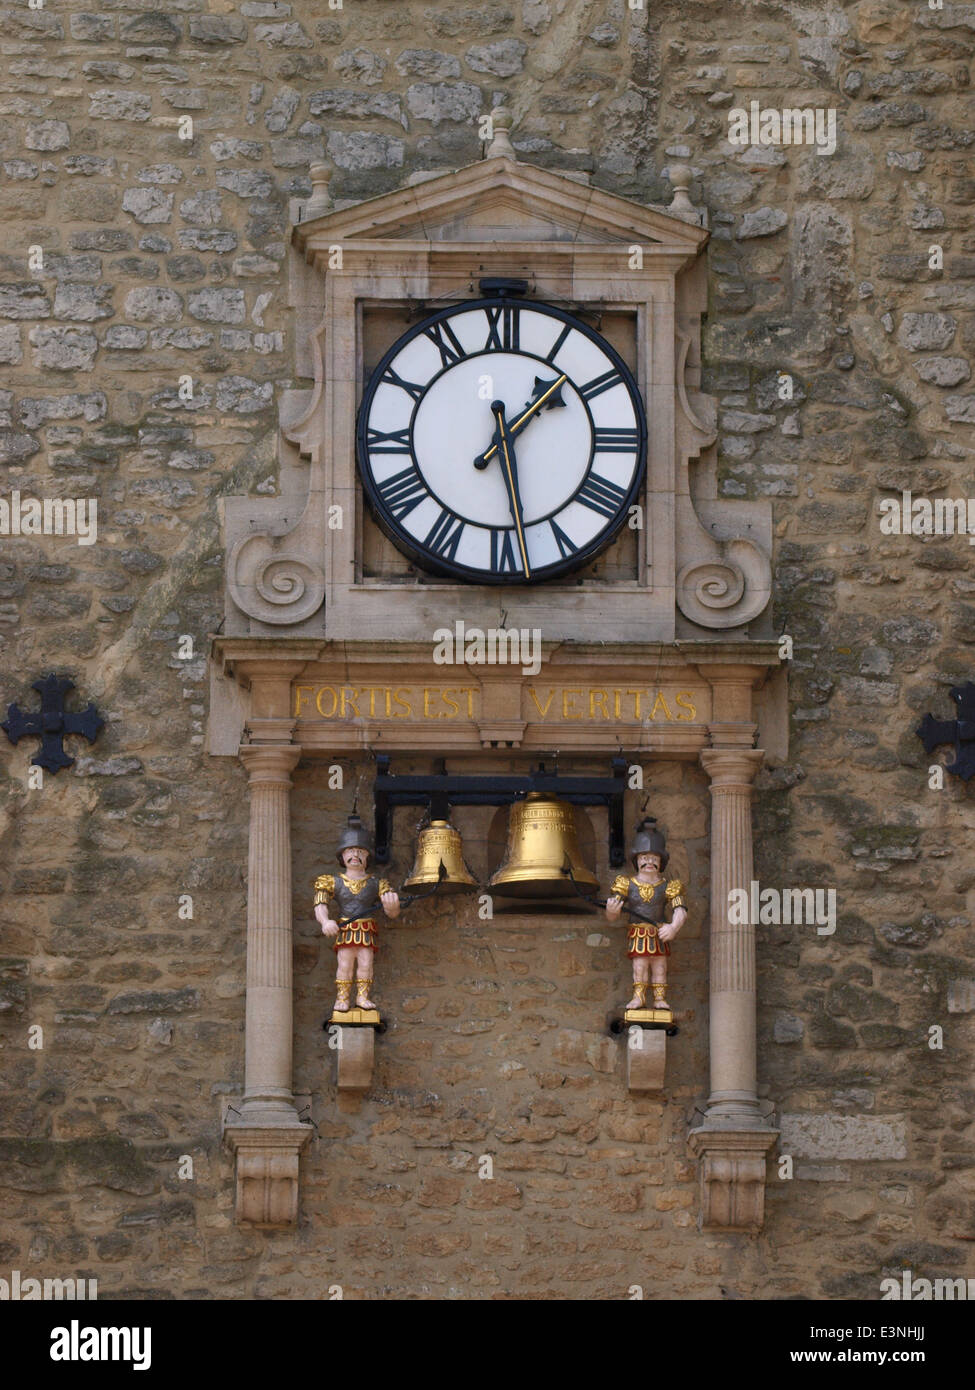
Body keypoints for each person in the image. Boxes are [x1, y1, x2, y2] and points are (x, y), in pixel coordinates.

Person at [313, 815, 400, 1013]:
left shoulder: (376, 883)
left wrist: (392, 905)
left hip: (366, 928)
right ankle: (342, 998)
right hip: (346, 927)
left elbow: (391, 910)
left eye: (360, 851)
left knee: (366, 963)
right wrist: (325, 921)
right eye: (350, 851)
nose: (355, 855)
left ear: (367, 856)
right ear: (342, 856)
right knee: (344, 964)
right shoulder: (332, 881)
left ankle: (362, 997)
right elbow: (320, 902)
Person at [605, 821, 686, 1011]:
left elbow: (680, 910)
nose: (649, 862)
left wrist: (673, 927)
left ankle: (659, 998)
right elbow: (613, 913)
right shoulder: (627, 884)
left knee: (660, 968)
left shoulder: (668, 886)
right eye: (644, 857)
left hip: (659, 933)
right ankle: (639, 997)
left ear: (661, 861)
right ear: (637, 860)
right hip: (638, 934)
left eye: (654, 858)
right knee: (639, 968)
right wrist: (612, 910)